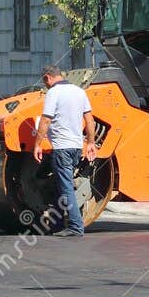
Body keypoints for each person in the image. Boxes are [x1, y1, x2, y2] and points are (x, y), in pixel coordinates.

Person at [34, 66, 97, 237]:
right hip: (76, 147)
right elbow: (90, 120)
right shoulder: (79, 92)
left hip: (61, 147)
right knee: (60, 185)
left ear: (48, 78)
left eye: (44, 82)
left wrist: (37, 144)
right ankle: (59, 224)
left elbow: (46, 120)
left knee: (66, 187)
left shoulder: (54, 93)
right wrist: (91, 143)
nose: (45, 85)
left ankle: (76, 227)